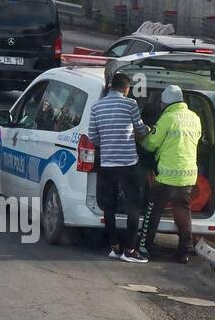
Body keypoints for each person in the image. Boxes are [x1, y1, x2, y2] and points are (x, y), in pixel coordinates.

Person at [87, 71, 149, 262]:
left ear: (110, 86)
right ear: (126, 88)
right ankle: (130, 250)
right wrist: (146, 130)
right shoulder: (130, 104)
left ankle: (114, 247)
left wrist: (107, 142)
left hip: (107, 163)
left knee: (109, 206)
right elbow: (140, 129)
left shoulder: (97, 107)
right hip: (128, 163)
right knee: (133, 206)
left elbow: (93, 137)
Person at [139, 85, 203, 263]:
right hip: (187, 175)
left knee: (153, 210)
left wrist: (142, 135)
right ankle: (185, 251)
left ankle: (144, 247)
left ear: (165, 102)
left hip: (165, 176)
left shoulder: (167, 118)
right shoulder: (195, 118)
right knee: (183, 212)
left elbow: (151, 144)